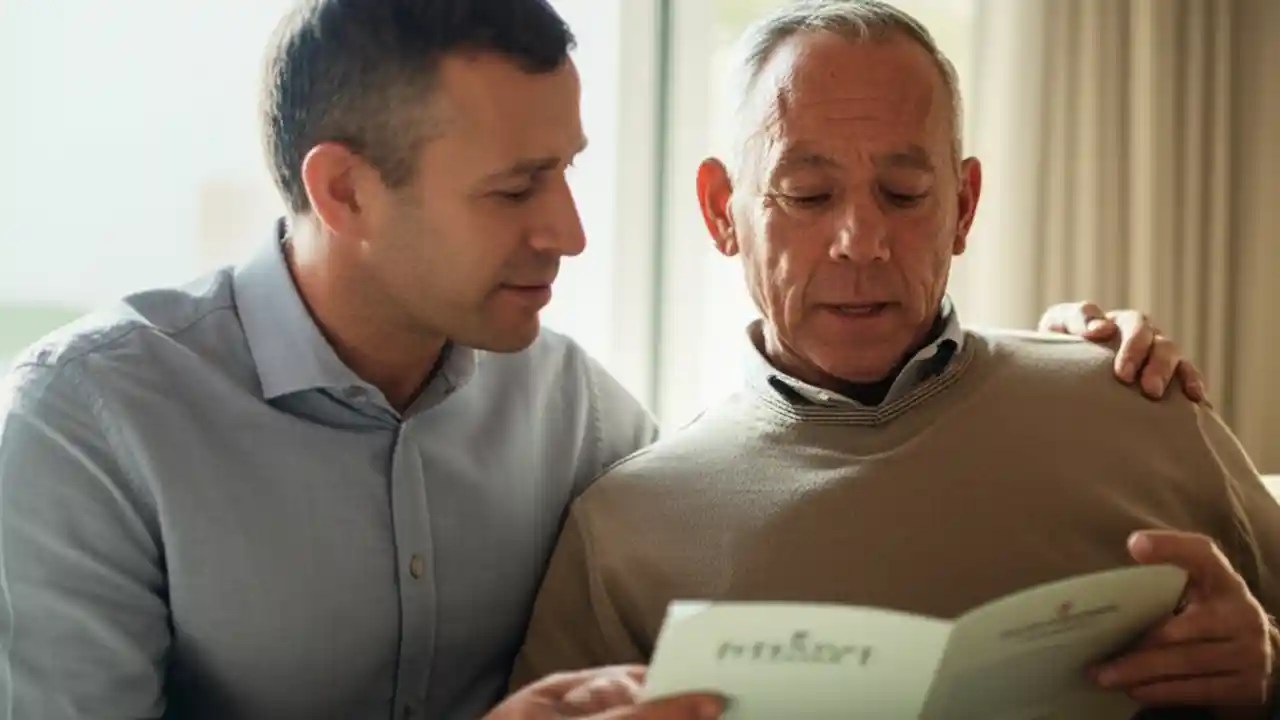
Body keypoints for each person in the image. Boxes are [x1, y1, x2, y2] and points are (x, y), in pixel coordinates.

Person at [0, 1, 1205, 719]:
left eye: (568, 169)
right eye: (517, 187)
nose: (569, 230)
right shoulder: (89, 423)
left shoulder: (576, 416)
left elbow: (789, 460)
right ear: (344, 190)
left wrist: (1069, 373)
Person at [510, 1, 1280, 718]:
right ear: (722, 212)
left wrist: (1269, 663)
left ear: (964, 207)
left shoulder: (1135, 398)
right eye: (808, 195)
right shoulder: (625, 529)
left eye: (905, 192)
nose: (861, 242)